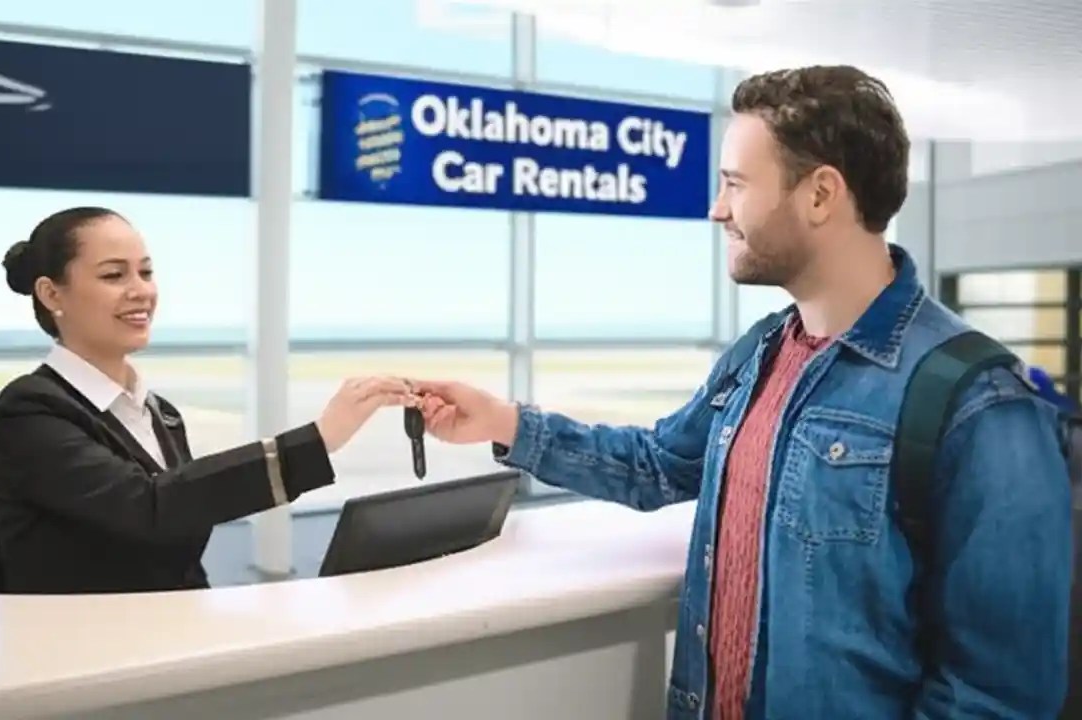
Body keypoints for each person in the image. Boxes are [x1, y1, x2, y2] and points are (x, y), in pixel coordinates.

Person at [411, 66, 1073, 719]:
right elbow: (659, 464)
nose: (717, 208)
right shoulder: (761, 352)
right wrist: (503, 422)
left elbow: (998, 697)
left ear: (820, 195)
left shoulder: (981, 403)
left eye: (734, 184)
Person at [0, 207, 411, 595]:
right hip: (88, 641)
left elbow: (182, 541)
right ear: (52, 295)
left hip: (174, 627)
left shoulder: (161, 414)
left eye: (146, 272)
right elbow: (150, 509)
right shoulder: (28, 411)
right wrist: (317, 441)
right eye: (114, 275)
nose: (141, 291)